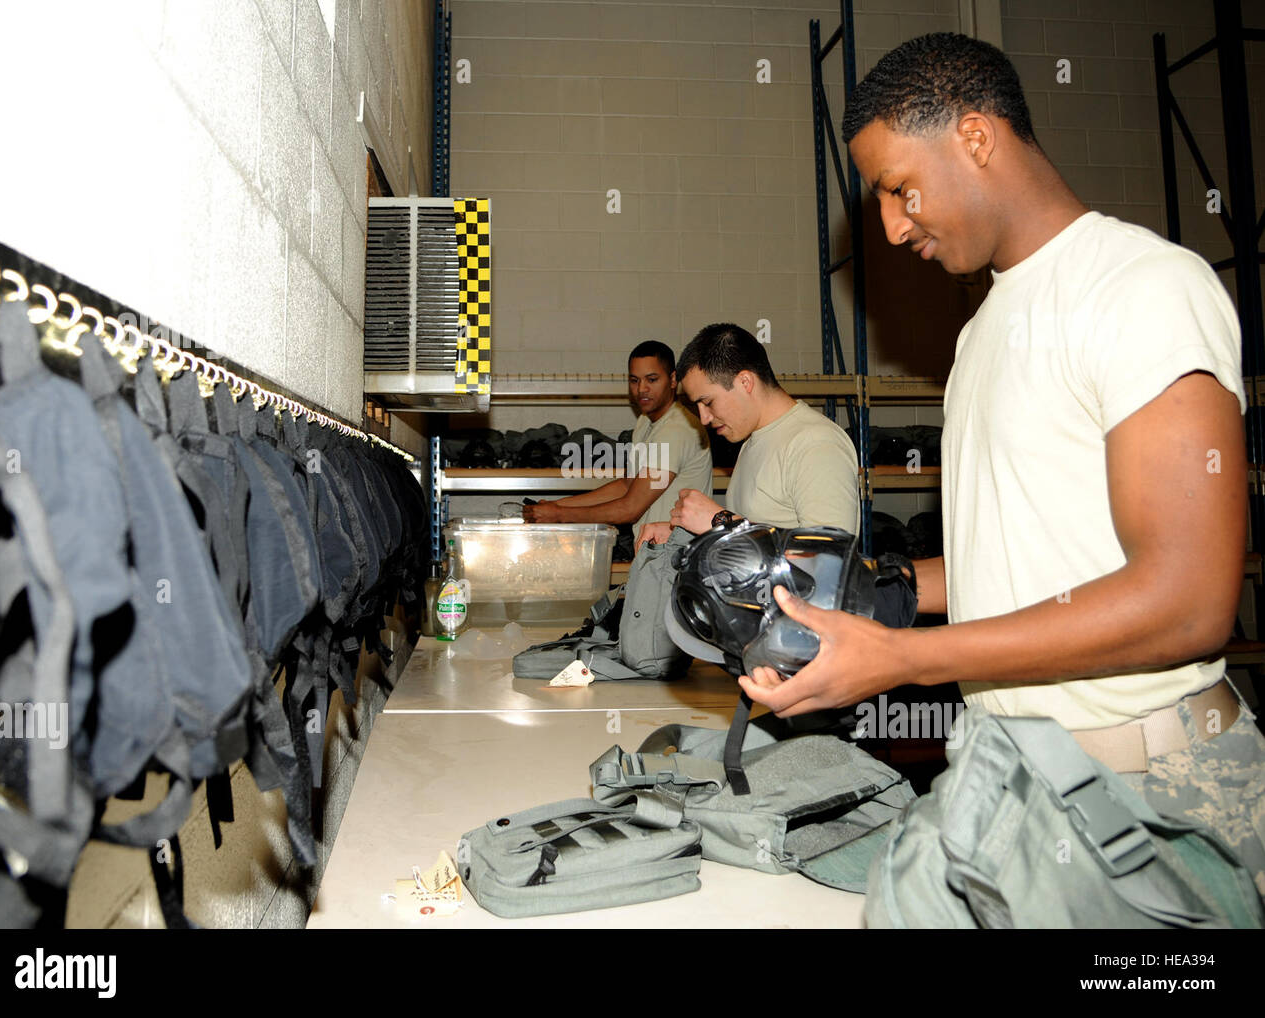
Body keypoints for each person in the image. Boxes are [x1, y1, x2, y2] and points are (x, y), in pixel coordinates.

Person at [739, 32, 1265, 894]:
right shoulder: (981, 330)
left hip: (1146, 803)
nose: (892, 225)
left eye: (899, 189)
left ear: (977, 139)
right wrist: (861, 594)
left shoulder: (1140, 287)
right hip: (1009, 779)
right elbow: (1016, 561)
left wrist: (902, 659)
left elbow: (1188, 602)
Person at [635, 323, 860, 549]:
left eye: (708, 402)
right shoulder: (753, 439)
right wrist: (688, 536)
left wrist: (720, 523)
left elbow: (830, 560)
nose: (703, 418)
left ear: (745, 382)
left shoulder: (817, 445)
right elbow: (756, 538)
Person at [523, 341, 711, 533]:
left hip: (677, 556)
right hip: (656, 553)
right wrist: (559, 505)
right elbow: (626, 485)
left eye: (652, 380)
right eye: (634, 380)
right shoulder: (645, 422)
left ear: (672, 380)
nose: (641, 389)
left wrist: (559, 515)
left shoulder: (675, 430)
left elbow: (630, 509)